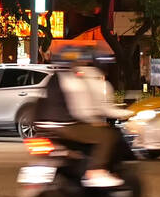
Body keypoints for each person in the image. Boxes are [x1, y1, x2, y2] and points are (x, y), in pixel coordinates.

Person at [49, 48, 134, 188]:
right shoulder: (90, 79)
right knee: (108, 136)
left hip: (49, 125)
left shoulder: (59, 77)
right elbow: (91, 109)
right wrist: (127, 114)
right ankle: (96, 172)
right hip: (69, 124)